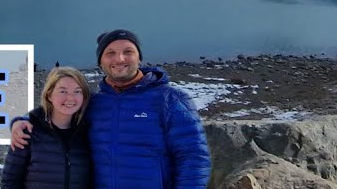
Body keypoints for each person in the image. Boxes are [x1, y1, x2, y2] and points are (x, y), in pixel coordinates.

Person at [11, 29, 211, 189]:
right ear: (100, 62)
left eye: (128, 52)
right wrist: (20, 122)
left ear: (139, 58)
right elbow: (57, 112)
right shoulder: (94, 104)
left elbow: (194, 158)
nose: (120, 59)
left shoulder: (170, 100)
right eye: (111, 53)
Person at [1, 66, 93, 189]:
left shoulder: (87, 133)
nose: (70, 97)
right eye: (63, 91)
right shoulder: (28, 132)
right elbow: (10, 181)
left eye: (77, 91)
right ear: (49, 95)